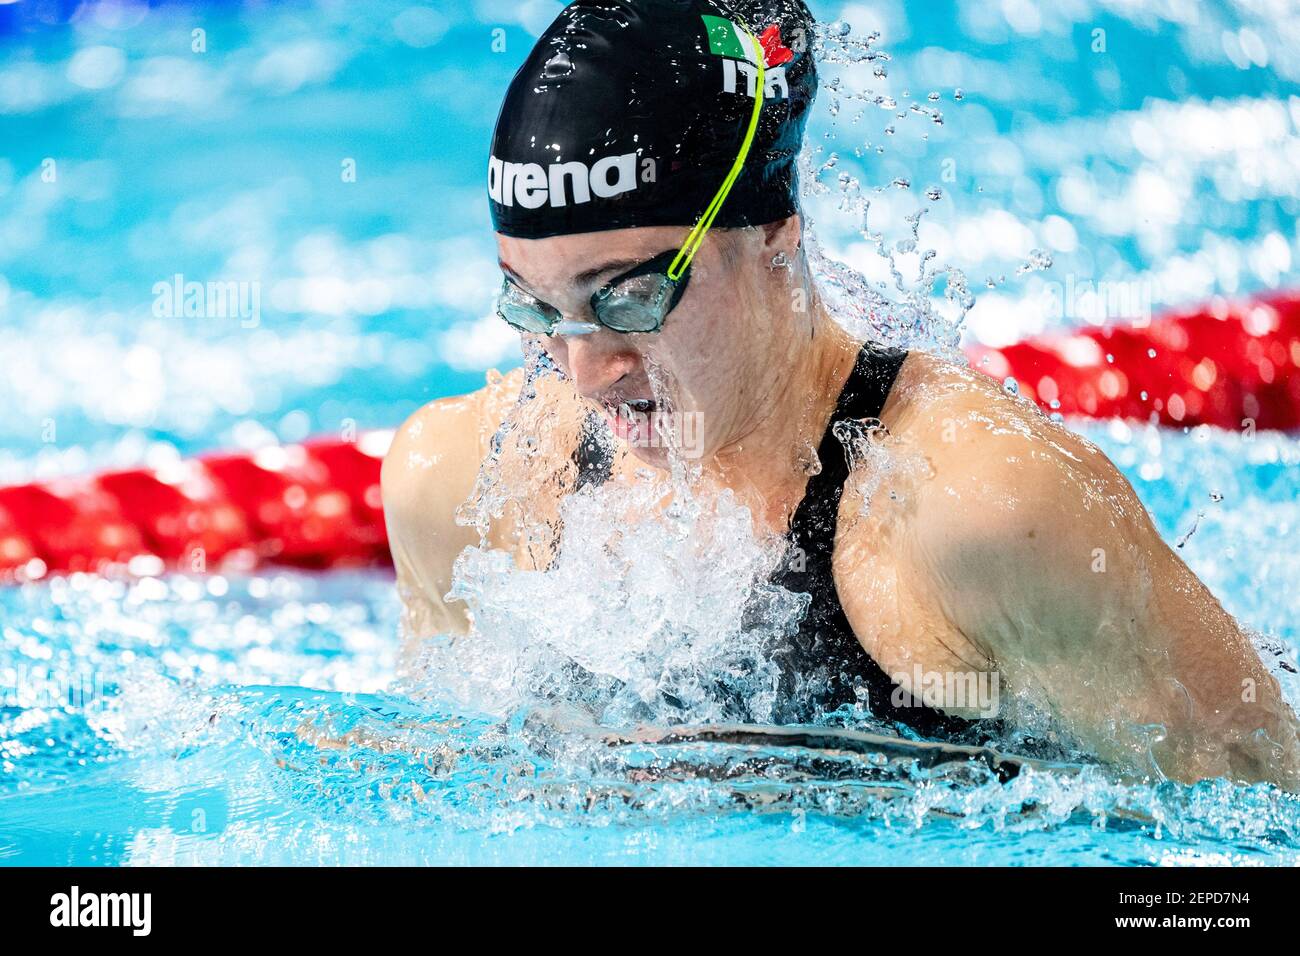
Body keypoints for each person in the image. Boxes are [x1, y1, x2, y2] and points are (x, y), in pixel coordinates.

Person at [381, 0, 1300, 786]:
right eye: (538, 307)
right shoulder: (464, 487)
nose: (587, 371)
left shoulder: (970, 517)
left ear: (775, 234)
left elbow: (1254, 815)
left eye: (630, 296)